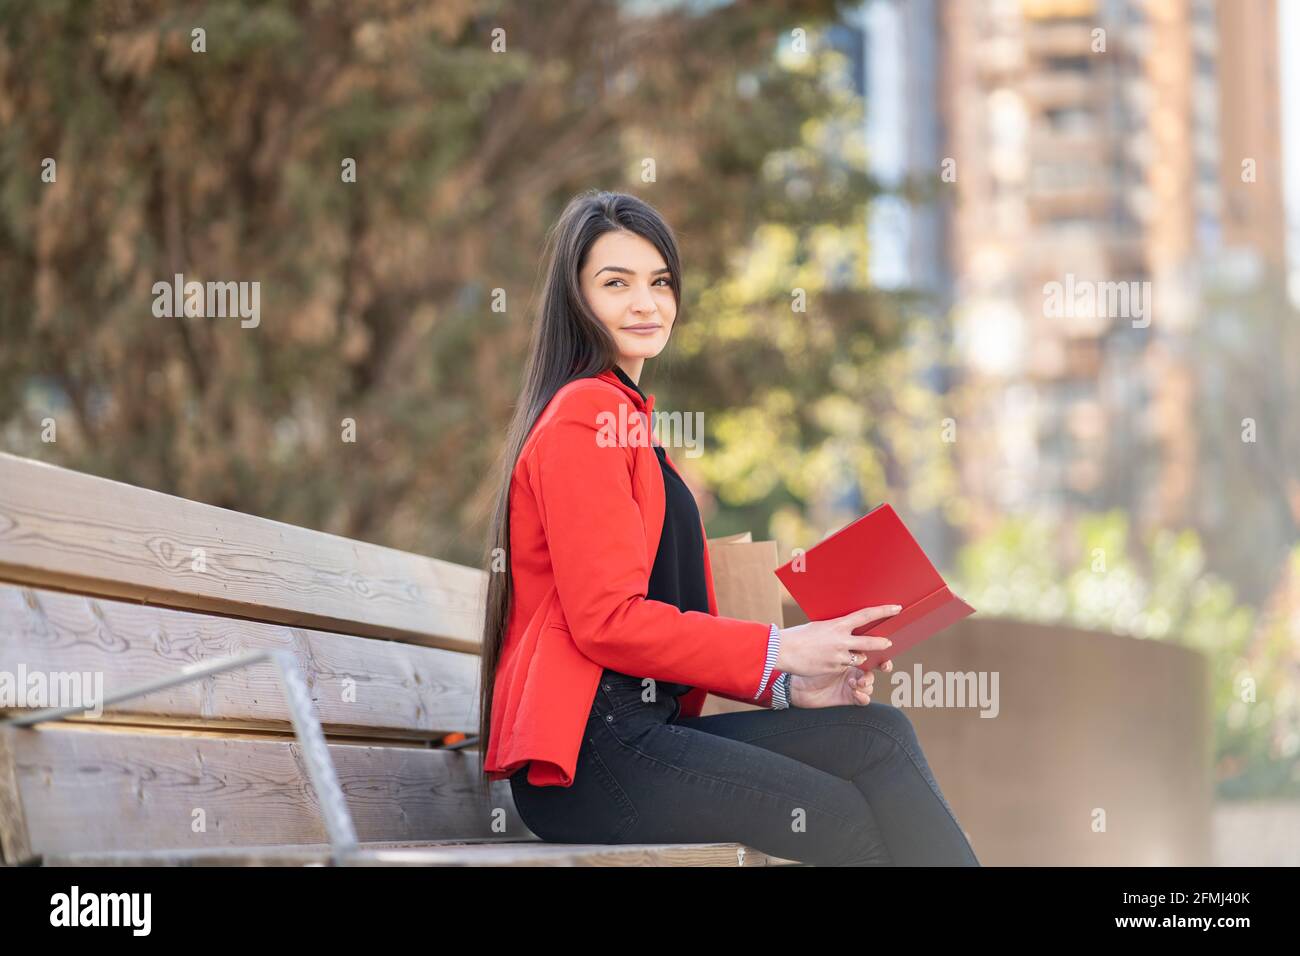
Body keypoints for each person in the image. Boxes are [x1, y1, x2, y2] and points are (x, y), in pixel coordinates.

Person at [477, 188, 980, 866]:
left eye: (660, 282)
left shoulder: (626, 420)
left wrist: (791, 685)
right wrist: (783, 649)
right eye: (615, 283)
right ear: (575, 298)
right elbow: (607, 620)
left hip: (640, 732)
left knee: (878, 737)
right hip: (593, 756)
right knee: (834, 818)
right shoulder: (585, 413)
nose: (645, 303)